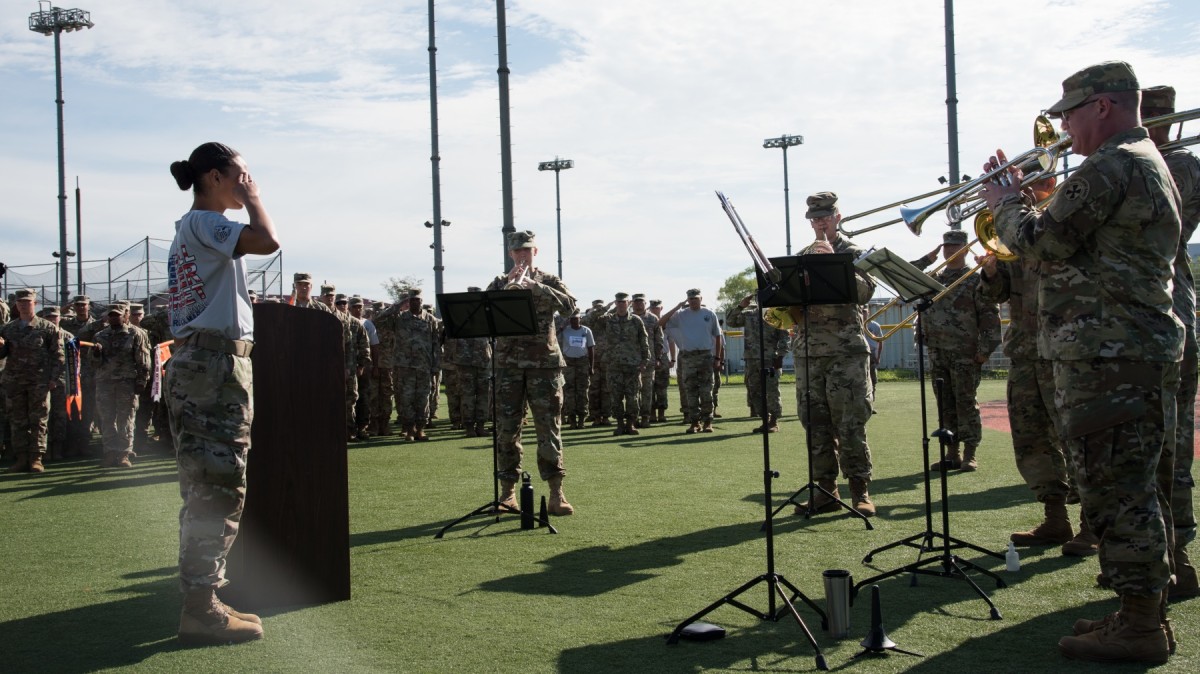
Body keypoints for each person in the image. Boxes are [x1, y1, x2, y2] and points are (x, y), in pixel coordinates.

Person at [981, 61, 1182, 663]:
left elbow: (1040, 241)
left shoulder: (1113, 164)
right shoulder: (1142, 161)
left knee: (1117, 493)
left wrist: (1005, 202)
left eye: (1069, 113)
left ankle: (1141, 626)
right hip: (1126, 350)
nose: (1064, 126)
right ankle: (1141, 611)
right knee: (1133, 487)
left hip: (1109, 355)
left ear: (1102, 106)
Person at [165, 141, 279, 644]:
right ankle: (200, 608)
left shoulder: (196, 228)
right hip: (211, 366)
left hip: (207, 363)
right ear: (213, 177)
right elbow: (267, 240)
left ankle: (204, 597)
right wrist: (254, 199)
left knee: (209, 485)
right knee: (216, 487)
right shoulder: (205, 223)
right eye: (241, 174)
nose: (247, 181)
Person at [978, 248, 1094, 554]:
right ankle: (1055, 519)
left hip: (1065, 352)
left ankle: (1092, 524)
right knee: (1030, 439)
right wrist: (990, 272)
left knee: (1076, 438)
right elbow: (994, 294)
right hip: (1024, 353)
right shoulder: (1013, 244)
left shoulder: (1063, 231)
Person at [1142, 84, 1200, 601]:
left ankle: (1176, 558)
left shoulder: (1176, 165)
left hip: (1164, 311)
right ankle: (1156, 559)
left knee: (1169, 444)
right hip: (1151, 313)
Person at [787, 191, 877, 517]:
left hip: (846, 352)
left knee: (850, 422)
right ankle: (825, 492)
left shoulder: (853, 252)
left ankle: (860, 491)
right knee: (815, 425)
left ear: (837, 217)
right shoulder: (801, 256)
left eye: (825, 216)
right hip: (808, 352)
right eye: (814, 218)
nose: (820, 223)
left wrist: (833, 262)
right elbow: (789, 303)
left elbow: (866, 291)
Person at [485, 230, 577, 515]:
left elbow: (570, 307)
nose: (522, 255)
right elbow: (485, 312)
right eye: (517, 251)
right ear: (510, 253)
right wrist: (508, 286)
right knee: (506, 430)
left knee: (548, 429)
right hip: (508, 366)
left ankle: (556, 493)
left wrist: (535, 287)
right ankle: (507, 494)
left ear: (534, 252)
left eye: (526, 250)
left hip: (544, 365)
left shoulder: (549, 280)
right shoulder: (499, 282)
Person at [912, 230, 1001, 471]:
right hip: (937, 351)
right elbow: (905, 279)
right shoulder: (932, 278)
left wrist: (985, 350)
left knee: (965, 402)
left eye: (955, 246)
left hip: (965, 352)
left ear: (965, 248)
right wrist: (927, 259)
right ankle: (952, 453)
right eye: (946, 246)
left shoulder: (975, 278)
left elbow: (989, 315)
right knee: (944, 404)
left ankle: (970, 453)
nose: (950, 250)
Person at [0, 288, 65, 474]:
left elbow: (58, 356)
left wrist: (53, 379)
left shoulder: (47, 328)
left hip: (39, 382)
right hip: (15, 382)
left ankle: (36, 458)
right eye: (20, 302)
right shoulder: (8, 329)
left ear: (34, 303)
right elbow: (2, 355)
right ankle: (21, 458)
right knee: (17, 420)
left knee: (39, 420)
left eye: (27, 301)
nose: (23, 305)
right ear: (16, 304)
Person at [90, 302, 151, 468]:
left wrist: (142, 381)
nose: (114, 318)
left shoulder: (135, 334)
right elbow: (94, 364)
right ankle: (110, 453)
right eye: (111, 315)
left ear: (125, 315)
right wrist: (96, 354)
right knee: (107, 419)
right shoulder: (100, 336)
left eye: (117, 315)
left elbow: (143, 361)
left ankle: (124, 453)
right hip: (105, 383)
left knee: (126, 419)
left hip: (126, 383)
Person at [656, 288, 722, 433]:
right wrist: (677, 307)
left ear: (701, 299)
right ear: (687, 300)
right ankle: (694, 422)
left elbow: (717, 336)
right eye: (690, 299)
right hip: (688, 357)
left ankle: (708, 422)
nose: (693, 301)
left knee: (706, 390)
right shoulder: (680, 315)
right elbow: (660, 323)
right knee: (690, 391)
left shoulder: (709, 313)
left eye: (695, 298)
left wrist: (717, 358)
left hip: (705, 356)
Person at [727, 294, 789, 433]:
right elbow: (731, 321)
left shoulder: (776, 314)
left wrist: (780, 356)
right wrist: (740, 306)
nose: (761, 300)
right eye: (758, 297)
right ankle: (765, 419)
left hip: (769, 359)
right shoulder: (749, 314)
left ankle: (774, 421)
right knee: (754, 391)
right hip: (751, 359)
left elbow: (784, 337)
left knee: (771, 390)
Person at [593, 292, 651, 436]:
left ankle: (630, 424)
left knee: (632, 398)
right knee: (615, 397)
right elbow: (589, 319)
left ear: (628, 303)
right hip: (614, 365)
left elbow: (644, 341)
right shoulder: (608, 320)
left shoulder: (636, 320)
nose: (620, 305)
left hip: (632, 366)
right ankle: (619, 425)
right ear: (615, 303)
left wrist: (645, 361)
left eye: (623, 302)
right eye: (618, 302)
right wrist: (606, 308)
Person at [393, 289, 439, 441]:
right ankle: (409, 429)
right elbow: (380, 319)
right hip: (405, 367)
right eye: (412, 300)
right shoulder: (400, 318)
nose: (415, 302)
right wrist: (398, 304)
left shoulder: (430, 319)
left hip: (424, 367)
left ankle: (420, 429)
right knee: (406, 399)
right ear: (408, 301)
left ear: (421, 301)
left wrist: (435, 366)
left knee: (423, 399)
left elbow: (436, 344)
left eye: (417, 300)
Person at [558, 310, 595, 430]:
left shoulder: (586, 330)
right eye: (572, 319)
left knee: (582, 392)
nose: (574, 321)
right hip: (568, 363)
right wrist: (562, 327)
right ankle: (572, 419)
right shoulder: (565, 330)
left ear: (580, 319)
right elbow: (553, 337)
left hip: (582, 362)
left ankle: (582, 419)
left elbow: (591, 349)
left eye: (576, 318)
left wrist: (591, 366)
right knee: (569, 392)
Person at [631, 293, 663, 428]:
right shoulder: (628, 318)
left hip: (649, 361)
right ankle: (634, 418)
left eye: (641, 302)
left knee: (647, 391)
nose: (638, 304)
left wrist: (658, 358)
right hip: (631, 361)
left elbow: (659, 340)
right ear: (632, 303)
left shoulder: (653, 319)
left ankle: (645, 417)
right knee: (632, 391)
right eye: (636, 302)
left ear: (645, 304)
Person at [649, 299, 673, 422]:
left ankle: (662, 413)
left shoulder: (667, 322)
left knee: (662, 387)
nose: (655, 310)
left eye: (657, 308)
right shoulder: (647, 321)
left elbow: (671, 342)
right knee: (649, 387)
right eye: (652, 308)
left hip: (663, 356)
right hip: (650, 356)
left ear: (661, 308)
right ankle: (652, 413)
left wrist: (673, 359)